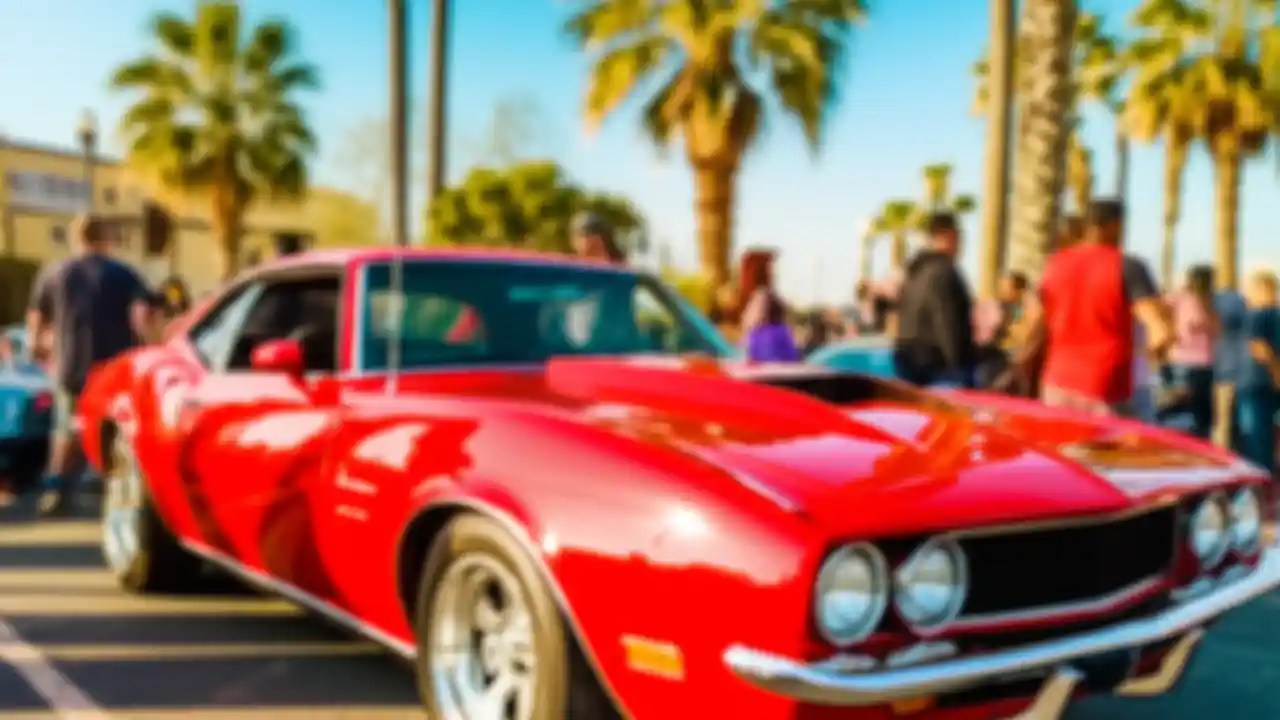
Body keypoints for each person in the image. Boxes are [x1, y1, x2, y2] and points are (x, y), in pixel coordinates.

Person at [25, 214, 153, 516]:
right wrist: (148, 344)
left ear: (76, 239)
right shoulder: (124, 274)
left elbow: (37, 318)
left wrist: (37, 349)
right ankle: (111, 488)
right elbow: (140, 316)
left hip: (69, 364)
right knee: (115, 428)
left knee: (65, 429)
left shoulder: (54, 272)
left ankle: (55, 490)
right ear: (105, 240)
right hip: (114, 367)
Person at [1033, 199, 1172, 417]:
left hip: (1056, 382)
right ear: (1115, 225)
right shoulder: (1128, 266)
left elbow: (1034, 324)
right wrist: (1145, 356)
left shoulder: (1054, 264)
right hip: (1106, 384)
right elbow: (1161, 332)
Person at [893, 212, 977, 388]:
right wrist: (958, 366)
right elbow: (948, 321)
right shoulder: (943, 271)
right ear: (948, 235)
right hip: (937, 367)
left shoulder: (916, 271)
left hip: (909, 361)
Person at [1161, 265, 1219, 438]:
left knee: (1194, 413)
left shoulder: (1189, 298)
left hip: (1189, 360)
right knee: (1195, 414)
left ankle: (1190, 444)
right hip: (1196, 362)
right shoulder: (1189, 298)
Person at [1238, 270, 1279, 474]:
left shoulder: (1258, 314)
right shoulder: (1272, 314)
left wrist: (1276, 372)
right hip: (1260, 383)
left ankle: (1261, 478)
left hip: (1255, 383)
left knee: (1256, 436)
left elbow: (1259, 347)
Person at [1213, 281, 1250, 448]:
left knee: (1222, 423)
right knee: (1237, 424)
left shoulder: (1219, 303)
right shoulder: (1242, 304)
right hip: (1241, 371)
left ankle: (1222, 455)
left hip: (1222, 372)